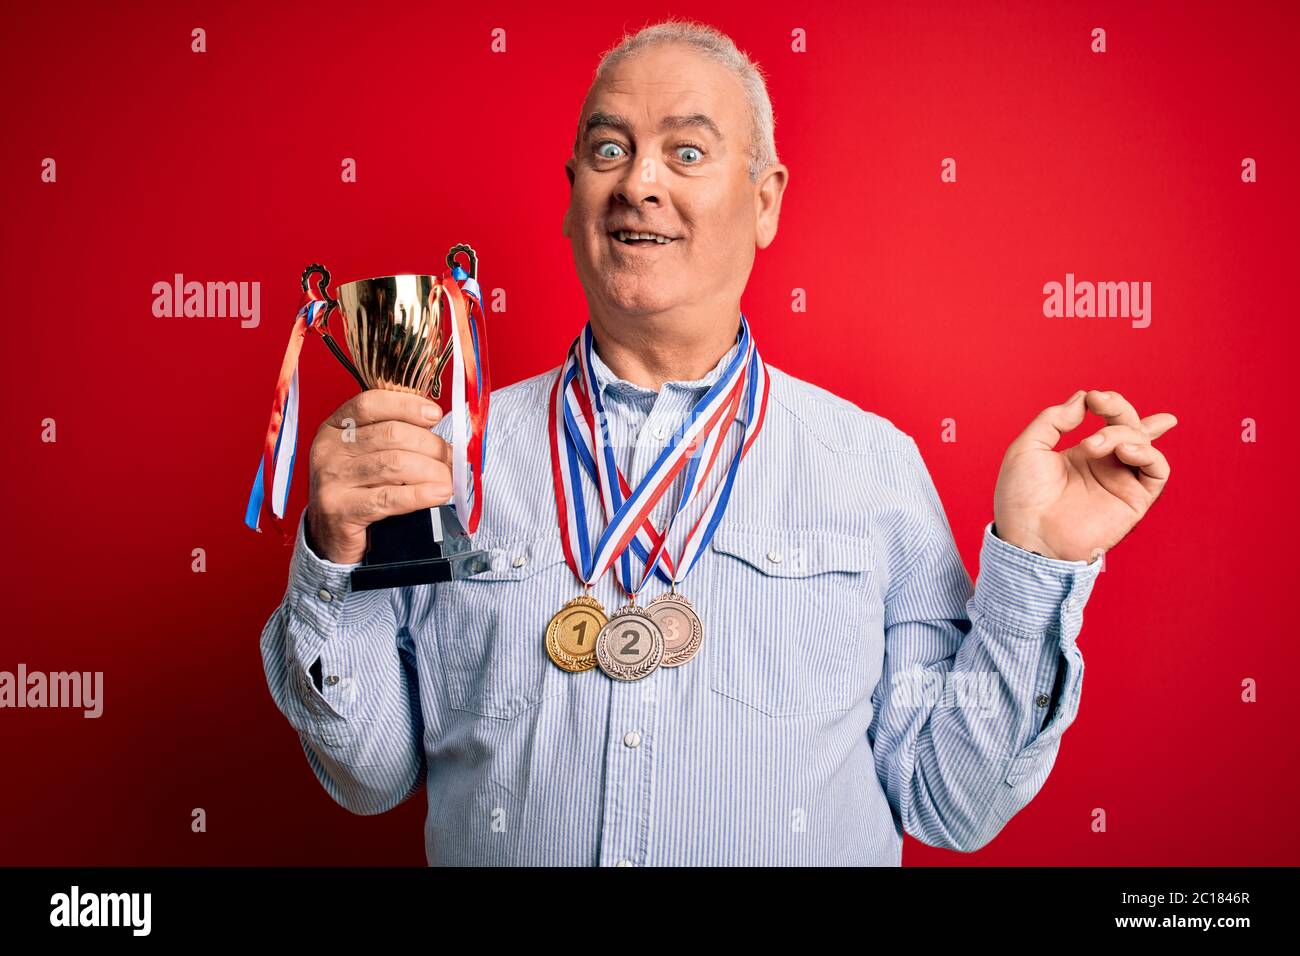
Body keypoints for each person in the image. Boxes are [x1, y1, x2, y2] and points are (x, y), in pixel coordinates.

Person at [258, 19, 1176, 866]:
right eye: (609, 150)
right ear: (574, 196)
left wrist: (1035, 564)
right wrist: (327, 560)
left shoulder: (873, 467)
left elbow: (950, 800)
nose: (639, 182)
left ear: (765, 200)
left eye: (686, 151)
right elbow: (368, 776)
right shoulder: (439, 457)